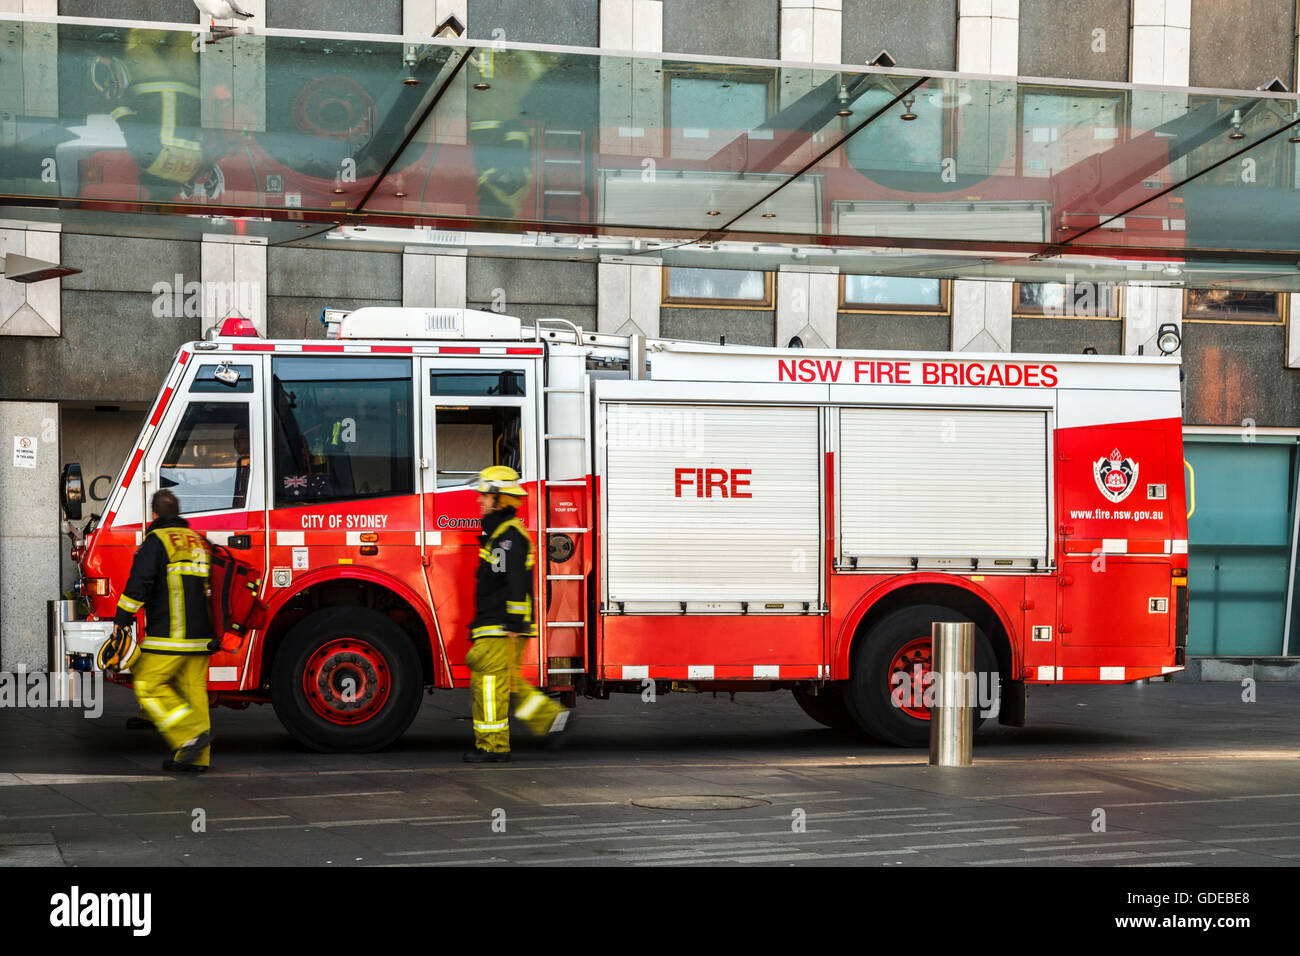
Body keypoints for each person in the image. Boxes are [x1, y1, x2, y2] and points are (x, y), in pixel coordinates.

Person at [464, 466, 571, 763]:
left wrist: (513, 622)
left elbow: (515, 583)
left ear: (499, 499)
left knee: (488, 685)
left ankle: (493, 747)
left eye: (485, 495)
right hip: (499, 624)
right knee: (508, 683)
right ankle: (551, 720)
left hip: (499, 626)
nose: (480, 501)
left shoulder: (509, 537)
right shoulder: (501, 534)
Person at [112, 489, 215, 772]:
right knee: (195, 692)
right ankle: (197, 758)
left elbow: (139, 584)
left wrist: (121, 618)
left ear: (154, 515)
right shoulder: (198, 541)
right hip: (202, 637)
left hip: (170, 636)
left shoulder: (156, 541)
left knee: (147, 684)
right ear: (177, 513)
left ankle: (187, 735)